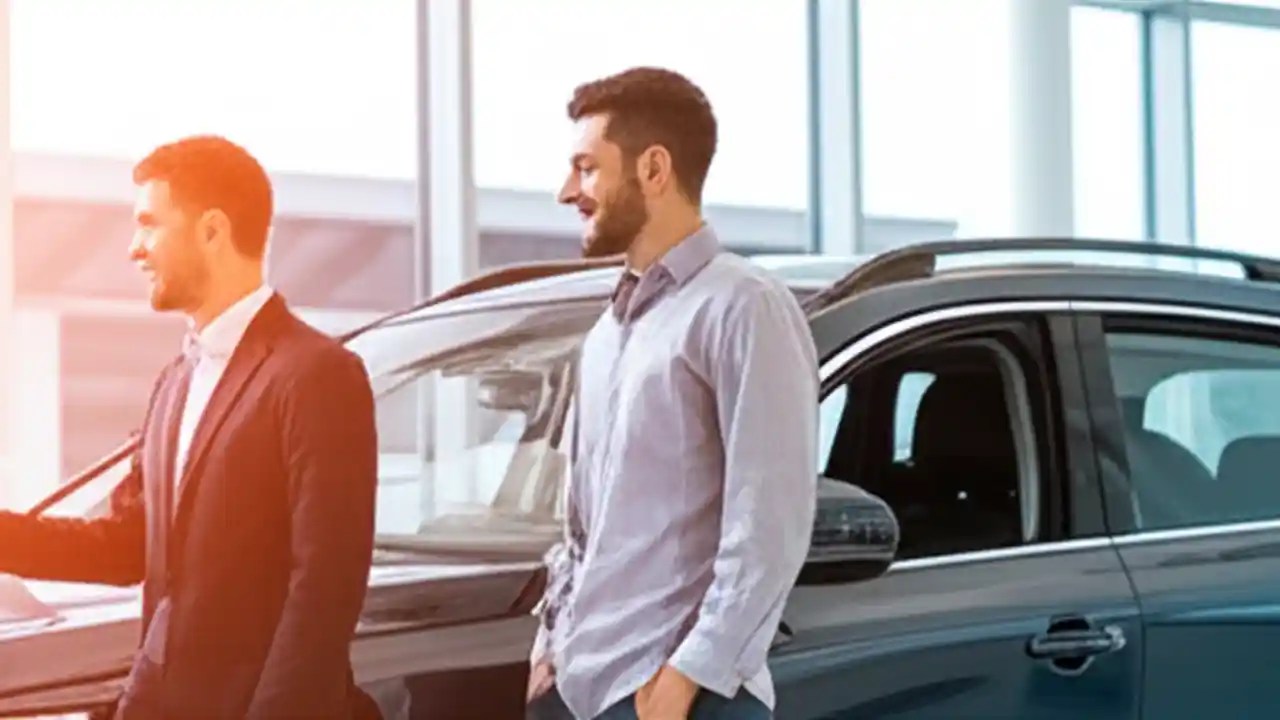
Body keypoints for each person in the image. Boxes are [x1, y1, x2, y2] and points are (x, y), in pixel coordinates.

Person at [0, 135, 380, 720]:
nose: (134, 249)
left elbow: (324, 592)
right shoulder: (174, 383)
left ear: (211, 230)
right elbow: (128, 547)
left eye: (149, 224)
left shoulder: (318, 375)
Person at [526, 67, 819, 720]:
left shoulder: (745, 307)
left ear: (653, 169)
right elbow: (581, 525)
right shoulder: (608, 331)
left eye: (586, 168)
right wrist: (550, 644)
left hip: (677, 698)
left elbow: (769, 521)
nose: (566, 191)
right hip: (579, 689)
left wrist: (688, 676)